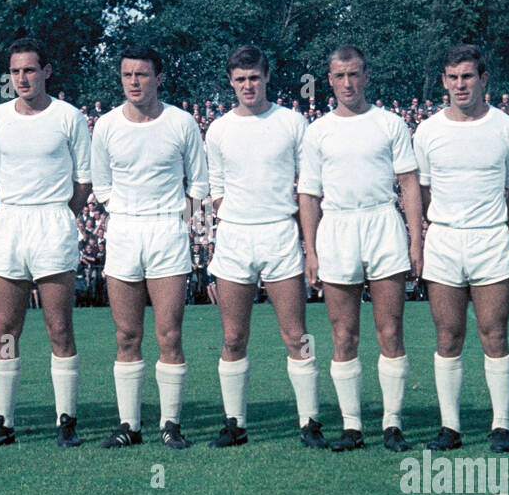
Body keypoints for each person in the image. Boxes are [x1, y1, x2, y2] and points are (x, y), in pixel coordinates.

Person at [297, 45, 423, 452]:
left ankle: (392, 423)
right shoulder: (317, 131)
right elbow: (309, 195)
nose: (347, 83)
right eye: (339, 76)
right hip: (337, 228)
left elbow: (408, 184)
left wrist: (415, 239)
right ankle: (352, 426)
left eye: (354, 74)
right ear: (329, 79)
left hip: (382, 223)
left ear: (366, 75)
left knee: (390, 329)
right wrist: (312, 251)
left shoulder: (390, 124)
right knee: (343, 334)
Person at [92, 44, 208, 449]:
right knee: (126, 335)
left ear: (159, 78)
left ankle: (170, 424)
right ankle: (130, 425)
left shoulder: (182, 122)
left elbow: (199, 185)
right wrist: (127, 214)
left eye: (142, 74)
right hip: (124, 231)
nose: (134, 82)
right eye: (127, 75)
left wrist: (177, 221)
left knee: (169, 334)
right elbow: (101, 186)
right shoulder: (106, 126)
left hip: (167, 232)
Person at [205, 45, 322, 449]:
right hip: (235, 238)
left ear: (266, 77)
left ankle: (310, 422)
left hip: (281, 236)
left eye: (254, 77)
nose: (247, 85)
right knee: (233, 337)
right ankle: (234, 424)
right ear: (231, 82)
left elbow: (308, 186)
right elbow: (214, 189)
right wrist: (237, 218)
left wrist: (310, 245)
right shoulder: (218, 129)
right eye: (240, 79)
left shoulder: (292, 122)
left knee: (297, 335)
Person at [0, 38, 91, 447]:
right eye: (15, 71)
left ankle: (66, 420)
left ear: (46, 71)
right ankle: (3, 422)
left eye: (30, 70)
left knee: (59, 326)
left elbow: (84, 180)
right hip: (10, 223)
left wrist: (61, 217)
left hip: (52, 222)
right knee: (6, 328)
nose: (22, 78)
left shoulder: (69, 117)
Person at [414, 44, 509, 453]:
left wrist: (498, 222)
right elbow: (421, 191)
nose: (461, 85)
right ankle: (450, 427)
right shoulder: (427, 130)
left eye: (468, 77)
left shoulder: (507, 128)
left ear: (483, 79)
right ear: (443, 81)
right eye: (453, 77)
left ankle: (502, 426)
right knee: (448, 335)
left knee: (494, 333)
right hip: (443, 239)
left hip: (491, 238)